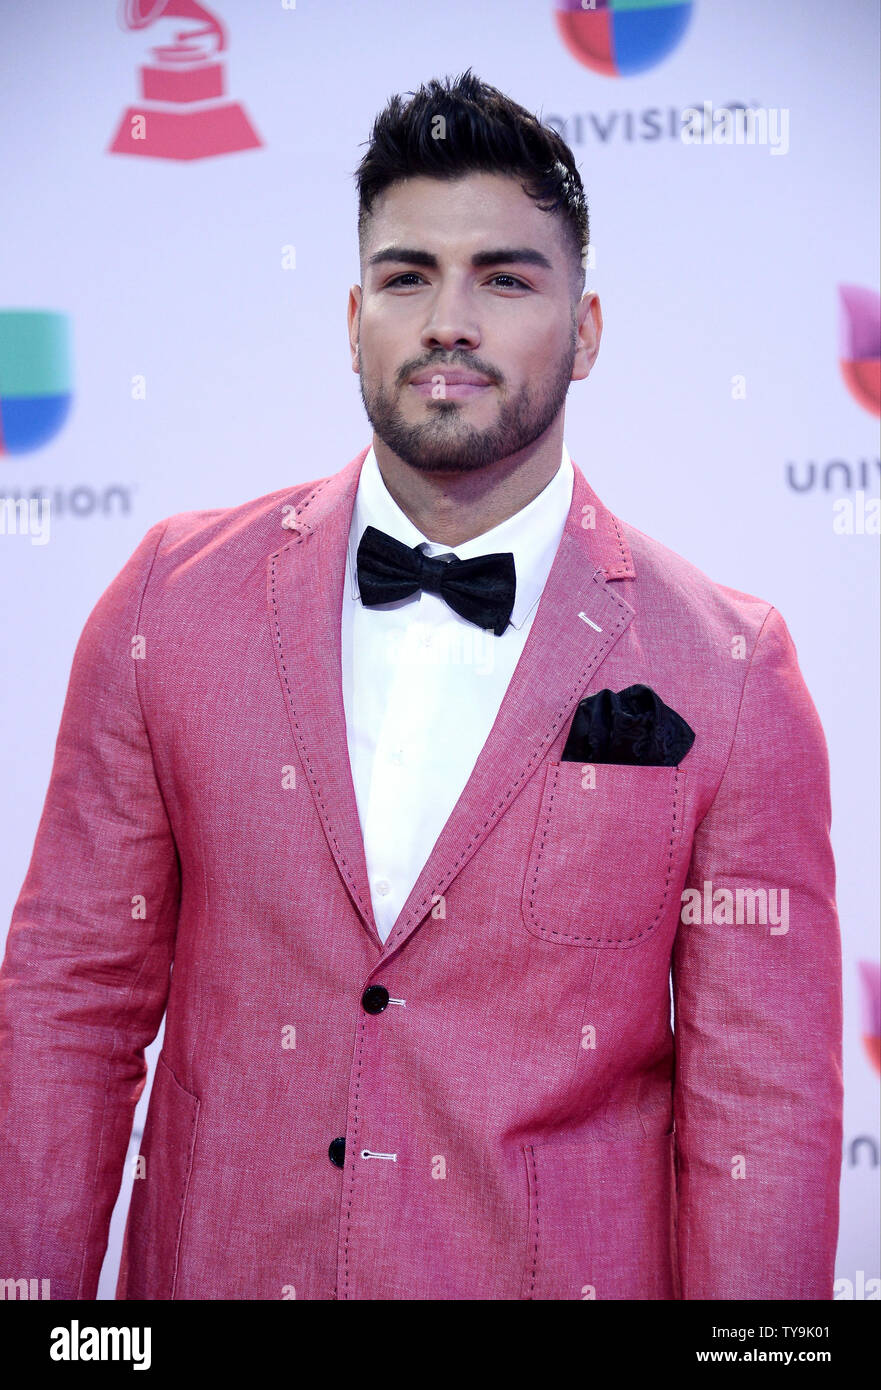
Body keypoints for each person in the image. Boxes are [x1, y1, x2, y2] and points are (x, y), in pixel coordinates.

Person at [0, 70, 842, 1300]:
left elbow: (760, 1109)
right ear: (352, 319)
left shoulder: (727, 667)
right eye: (407, 277)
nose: (449, 320)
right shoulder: (166, 604)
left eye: (504, 278)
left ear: (587, 329)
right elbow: (68, 1009)